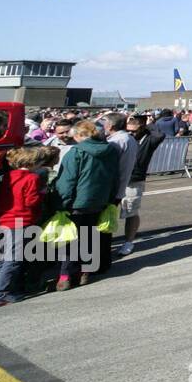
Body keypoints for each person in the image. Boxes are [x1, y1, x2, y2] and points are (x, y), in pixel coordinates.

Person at [52, 120, 119, 289]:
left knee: (70, 240)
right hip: (99, 201)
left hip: (76, 202)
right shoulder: (111, 151)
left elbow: (67, 181)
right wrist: (110, 199)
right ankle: (84, 272)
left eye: (74, 135)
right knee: (89, 237)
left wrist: (61, 203)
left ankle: (65, 276)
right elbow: (114, 178)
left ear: (80, 135)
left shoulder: (76, 153)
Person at [0, 146, 48, 306]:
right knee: (14, 258)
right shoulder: (32, 178)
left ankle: (0, 289)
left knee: (1, 258)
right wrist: (42, 193)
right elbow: (31, 201)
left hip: (3, 219)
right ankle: (1, 293)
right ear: (33, 162)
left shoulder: (8, 176)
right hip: (20, 221)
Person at [99, 113, 138, 275]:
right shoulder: (129, 139)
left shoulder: (116, 141)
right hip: (118, 187)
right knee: (105, 226)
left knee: (102, 228)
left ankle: (101, 261)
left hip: (112, 189)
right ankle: (103, 260)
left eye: (104, 124)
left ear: (110, 126)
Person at [118, 113, 161, 255]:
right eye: (128, 130)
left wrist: (150, 123)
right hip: (117, 179)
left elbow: (159, 135)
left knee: (130, 211)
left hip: (134, 180)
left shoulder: (149, 139)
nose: (130, 133)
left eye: (134, 130)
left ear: (142, 127)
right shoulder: (124, 138)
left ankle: (128, 241)